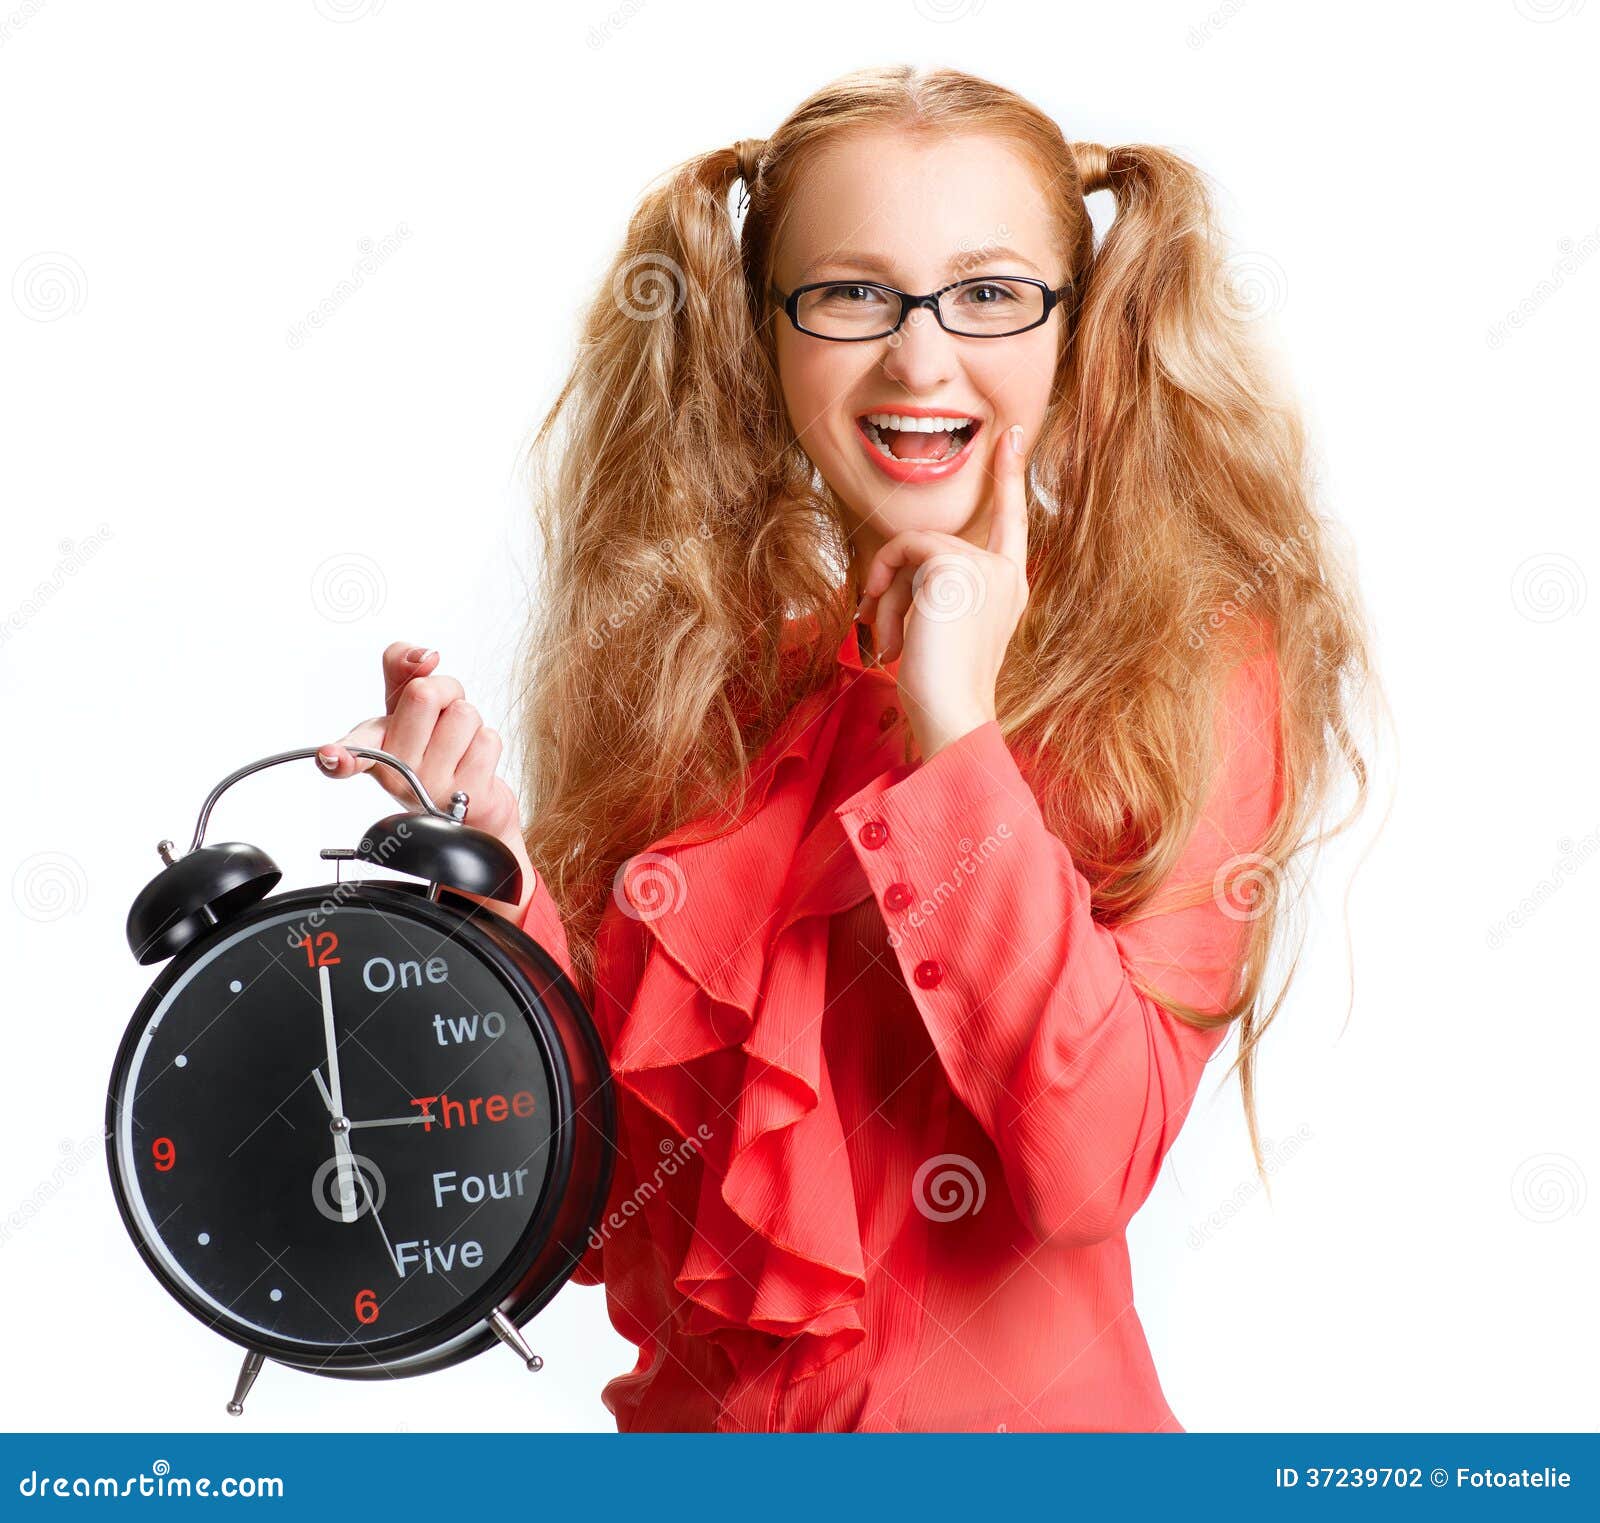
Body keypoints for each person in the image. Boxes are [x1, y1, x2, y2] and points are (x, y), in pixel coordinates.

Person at [318, 65, 1378, 1432]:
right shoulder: (732, 682)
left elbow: (1088, 1166)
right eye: (853, 295)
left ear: (1079, 328)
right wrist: (488, 885)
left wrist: (957, 725)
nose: (920, 360)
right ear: (769, 334)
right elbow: (597, 1220)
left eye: (990, 294)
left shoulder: (1187, 673)